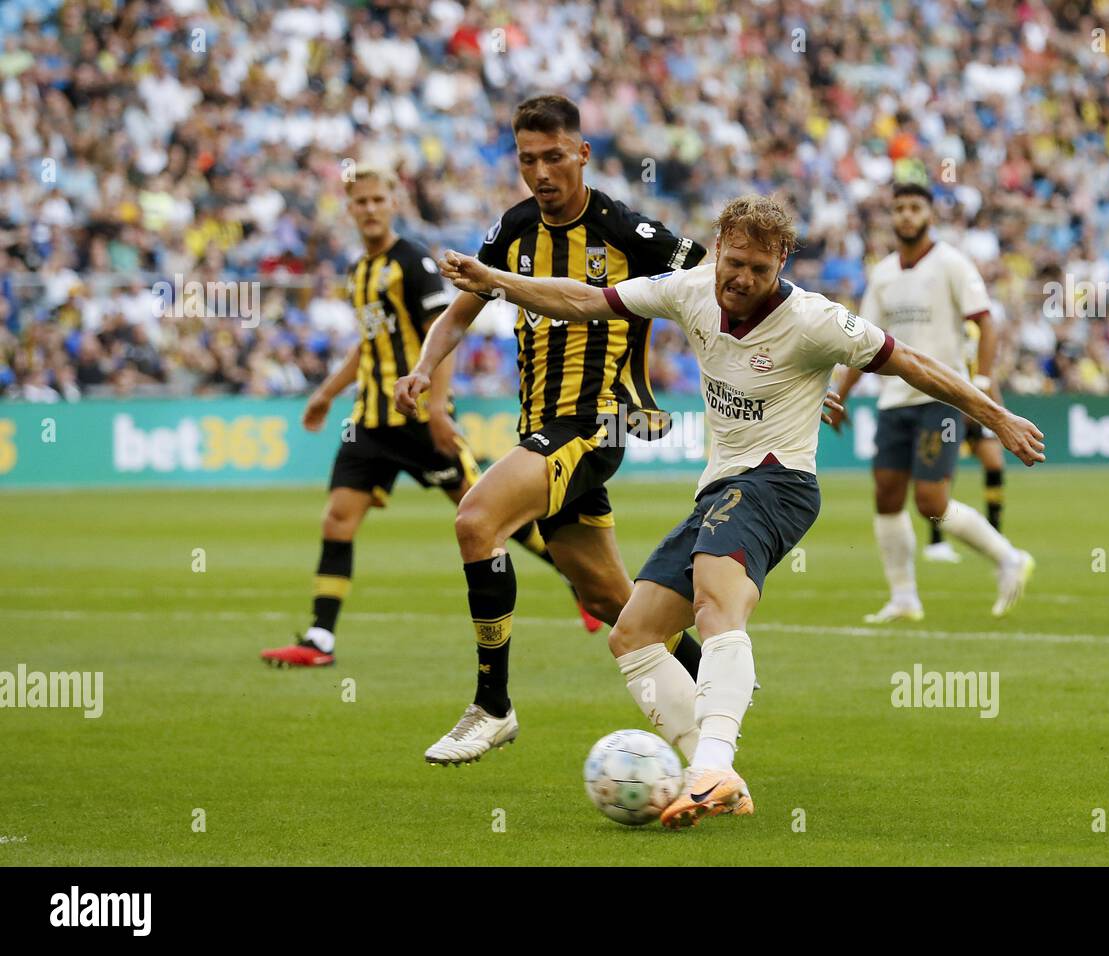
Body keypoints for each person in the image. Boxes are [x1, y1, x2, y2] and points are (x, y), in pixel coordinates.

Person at [435, 193, 1045, 828]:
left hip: (779, 483)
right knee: (634, 631)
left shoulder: (815, 319)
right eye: (735, 262)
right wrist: (497, 282)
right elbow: (586, 300)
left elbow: (912, 364)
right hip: (722, 486)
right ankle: (713, 770)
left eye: (760, 267)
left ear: (782, 260)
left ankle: (709, 768)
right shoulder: (691, 288)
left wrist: (996, 416)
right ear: (718, 246)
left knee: (714, 596)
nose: (743, 279)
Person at [393, 95, 707, 766]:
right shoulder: (511, 228)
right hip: (541, 426)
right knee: (610, 598)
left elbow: (716, 285)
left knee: (476, 520)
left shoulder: (626, 230)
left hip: (598, 422)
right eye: (528, 159)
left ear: (583, 154)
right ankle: (715, 680)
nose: (541, 172)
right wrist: (423, 369)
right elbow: (460, 311)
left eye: (554, 157)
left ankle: (492, 706)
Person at [259, 164, 576, 668]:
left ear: (392, 203)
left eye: (377, 200)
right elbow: (369, 346)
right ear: (350, 209)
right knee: (337, 520)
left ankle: (578, 577)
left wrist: (437, 411)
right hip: (370, 422)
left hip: (417, 419)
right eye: (360, 202)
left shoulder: (412, 262)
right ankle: (320, 639)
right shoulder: (358, 272)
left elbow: (442, 335)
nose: (369, 209)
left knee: (488, 515)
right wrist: (324, 395)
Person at [829, 182, 1034, 622]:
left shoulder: (951, 264)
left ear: (929, 215)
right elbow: (862, 340)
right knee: (886, 496)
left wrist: (979, 381)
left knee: (930, 501)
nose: (905, 215)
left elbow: (985, 322)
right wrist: (840, 396)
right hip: (893, 400)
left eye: (914, 208)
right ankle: (904, 596)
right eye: (899, 208)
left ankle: (1008, 557)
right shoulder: (882, 273)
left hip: (941, 397)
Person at [924, 316, 1007, 563]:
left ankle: (994, 533)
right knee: (943, 474)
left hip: (979, 406)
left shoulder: (976, 329)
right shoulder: (941, 326)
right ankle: (936, 541)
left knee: (994, 463)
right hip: (949, 407)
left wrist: (1000, 412)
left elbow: (987, 369)